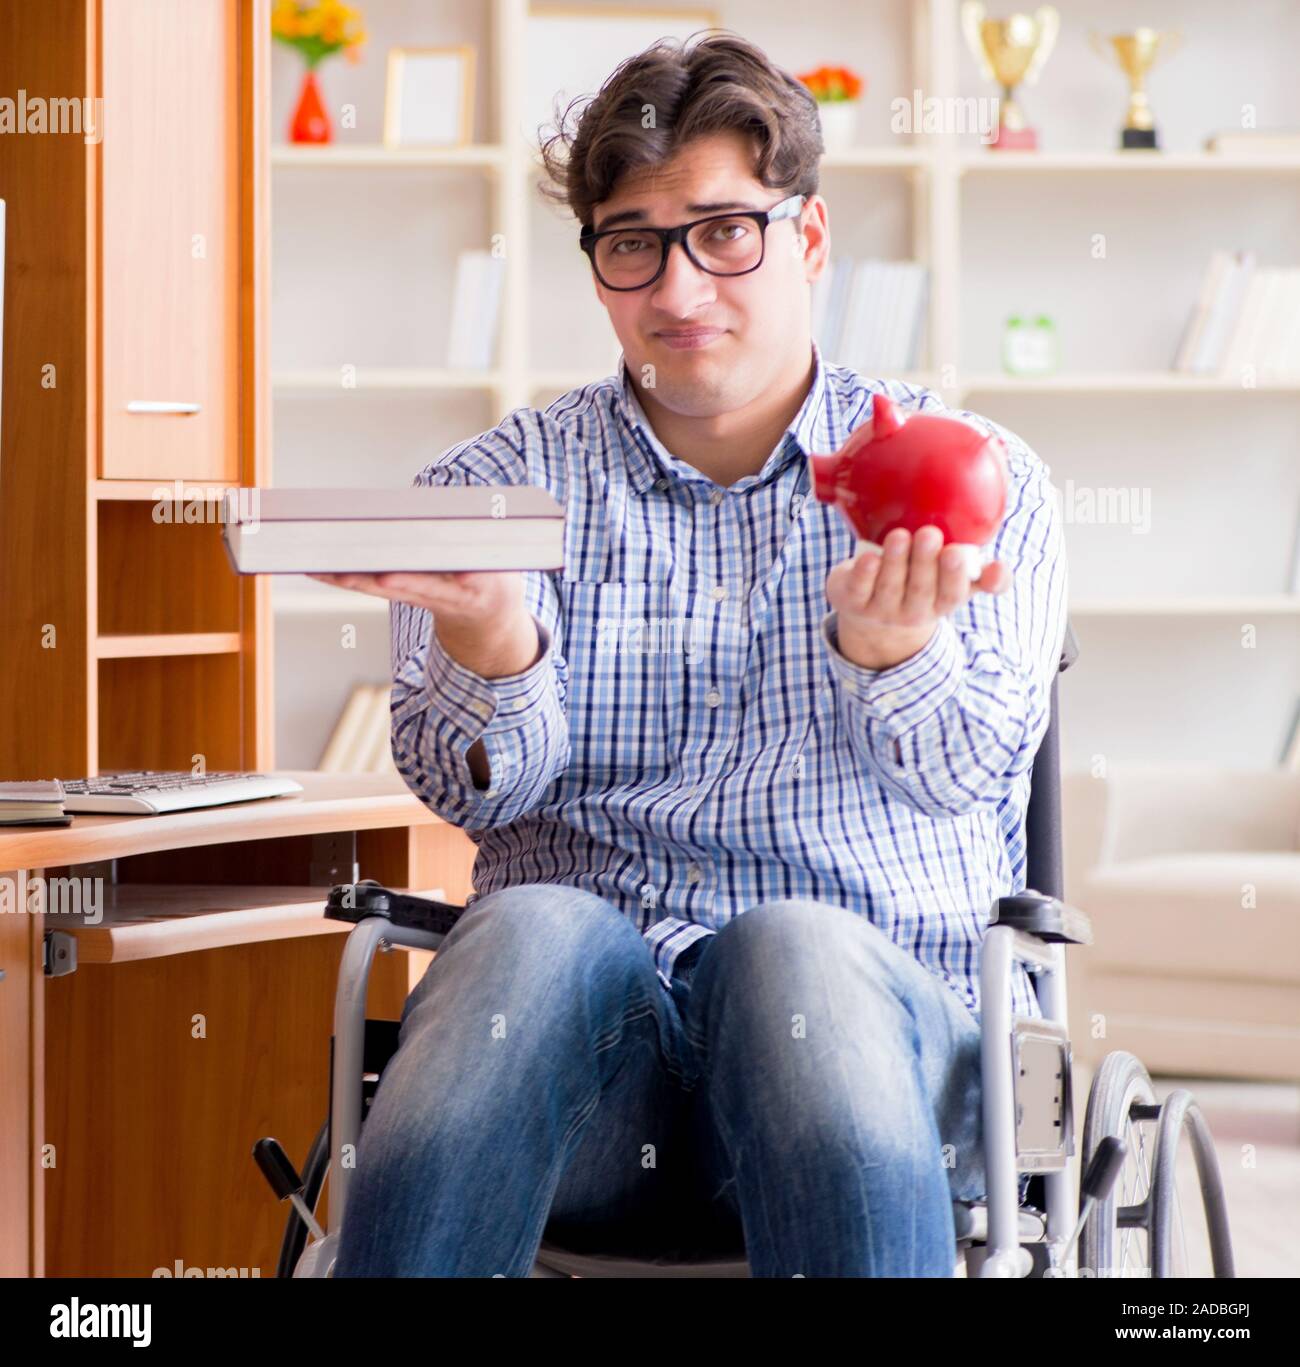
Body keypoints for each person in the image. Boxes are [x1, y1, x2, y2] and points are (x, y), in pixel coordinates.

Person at [314, 28, 1068, 1277]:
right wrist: (496, 646)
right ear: (599, 265)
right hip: (596, 1101)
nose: (676, 292)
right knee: (530, 926)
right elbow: (461, 792)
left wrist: (892, 655)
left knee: (793, 943)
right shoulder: (490, 494)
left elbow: (974, 770)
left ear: (808, 239)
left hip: (884, 1068)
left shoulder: (969, 478)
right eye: (632, 245)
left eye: (722, 231)